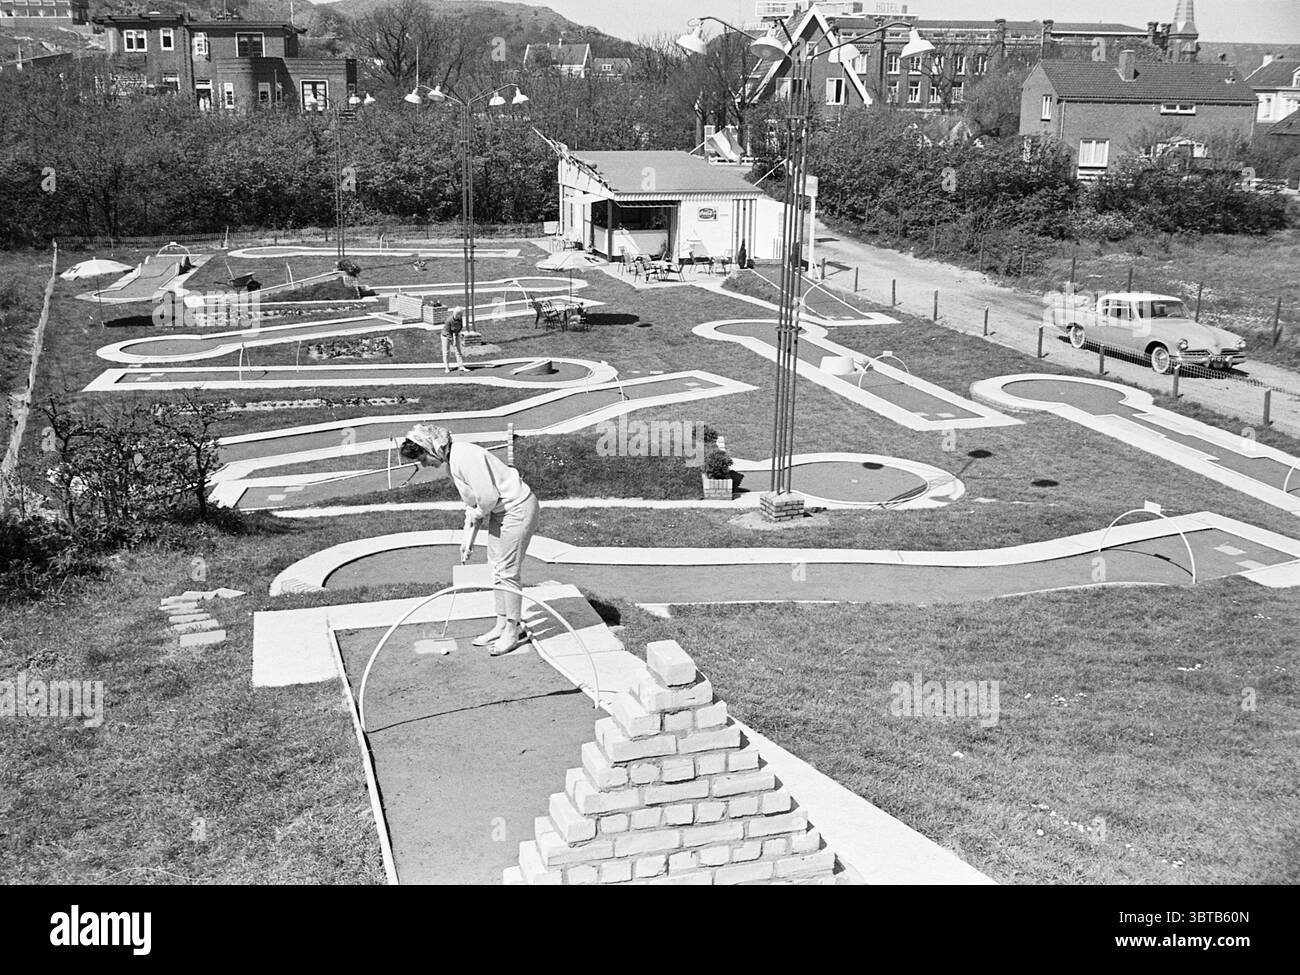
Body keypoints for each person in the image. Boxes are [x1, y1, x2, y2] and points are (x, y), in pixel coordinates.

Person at [399, 424, 540, 656]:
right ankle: (501, 624)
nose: (424, 465)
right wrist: (468, 539)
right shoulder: (452, 463)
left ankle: (512, 631)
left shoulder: (464, 456)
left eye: (423, 458)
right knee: (496, 567)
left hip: (518, 509)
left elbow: (487, 498)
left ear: (432, 448)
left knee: (508, 571)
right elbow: (473, 504)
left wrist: (475, 517)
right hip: (499, 511)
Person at [440, 305, 469, 373]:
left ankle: (461, 366)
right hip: (445, 336)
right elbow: (447, 332)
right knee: (446, 352)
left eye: (461, 314)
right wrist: (452, 340)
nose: (461, 316)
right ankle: (447, 367)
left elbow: (460, 327)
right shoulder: (449, 320)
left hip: (455, 334)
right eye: (460, 314)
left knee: (458, 350)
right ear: (455, 314)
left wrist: (457, 336)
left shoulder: (460, 319)